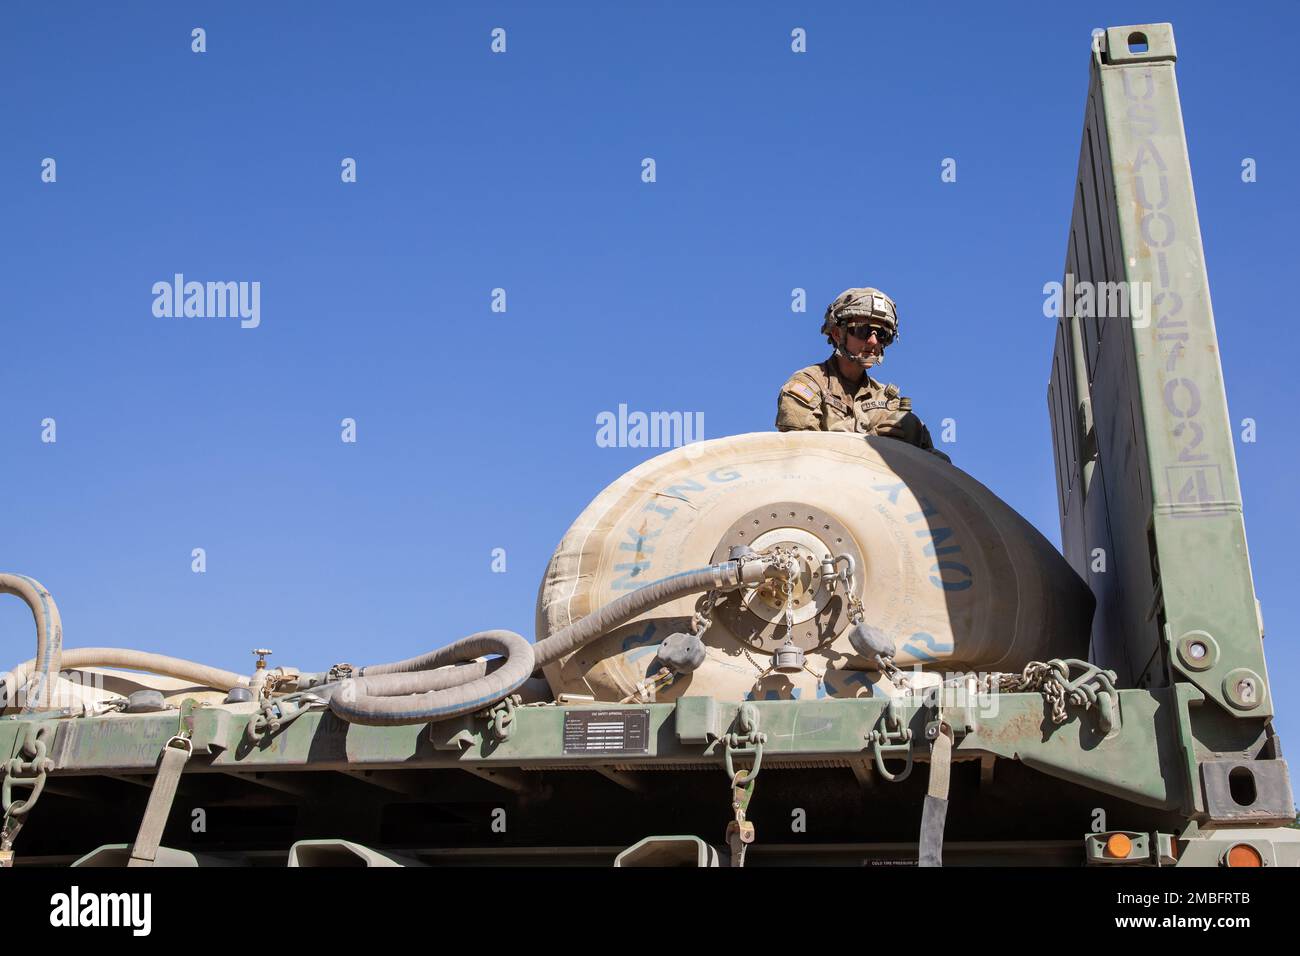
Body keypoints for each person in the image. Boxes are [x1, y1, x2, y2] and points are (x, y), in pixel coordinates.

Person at [775, 287, 949, 461]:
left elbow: (932, 464)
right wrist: (868, 443)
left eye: (882, 334)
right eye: (863, 331)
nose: (873, 341)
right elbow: (800, 452)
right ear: (837, 334)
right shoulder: (809, 385)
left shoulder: (888, 401)